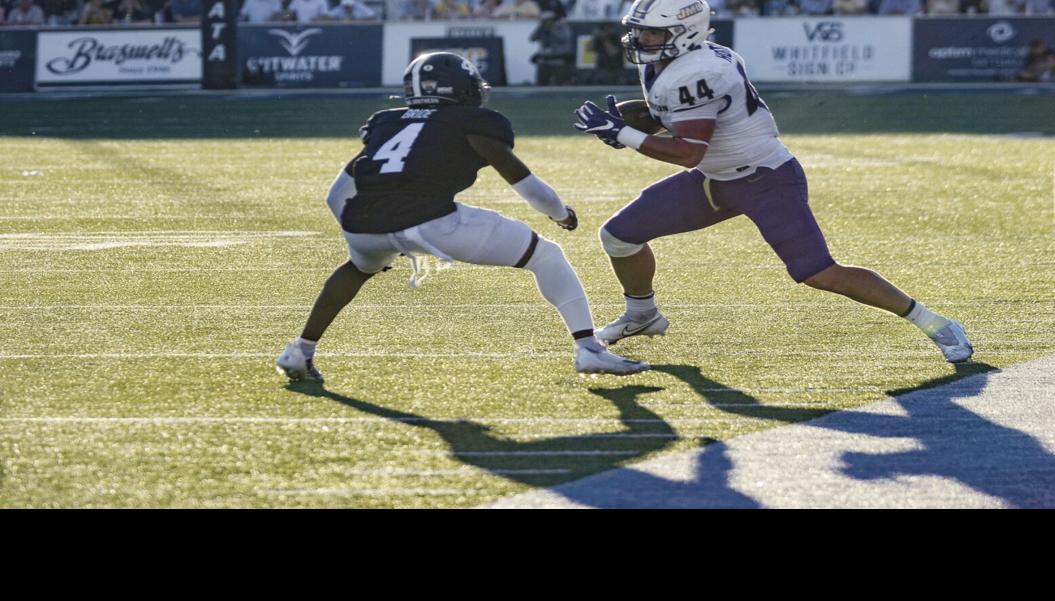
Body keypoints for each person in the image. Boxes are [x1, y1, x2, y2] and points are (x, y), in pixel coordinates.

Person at [570, 0, 973, 363]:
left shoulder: (699, 71)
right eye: (638, 30)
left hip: (765, 179)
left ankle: (935, 323)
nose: (640, 38)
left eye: (652, 32)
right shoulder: (679, 61)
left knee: (819, 272)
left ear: (685, 32)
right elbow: (678, 123)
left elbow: (688, 151)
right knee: (620, 236)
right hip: (717, 179)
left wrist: (624, 133)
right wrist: (638, 126)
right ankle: (643, 316)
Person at [276, 52, 648, 384]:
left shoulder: (386, 122)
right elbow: (528, 186)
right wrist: (561, 214)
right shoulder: (475, 122)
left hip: (363, 224)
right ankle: (590, 349)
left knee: (357, 269)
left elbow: (335, 196)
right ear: (462, 89)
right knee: (546, 255)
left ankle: (300, 351)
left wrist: (374, 233)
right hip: (432, 220)